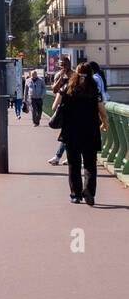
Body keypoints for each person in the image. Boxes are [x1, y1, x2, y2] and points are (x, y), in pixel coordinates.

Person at [51, 61, 109, 205]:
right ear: (91, 74)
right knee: (90, 164)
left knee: (74, 164)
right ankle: (89, 191)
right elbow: (102, 111)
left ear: (76, 73)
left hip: (70, 132)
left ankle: (75, 195)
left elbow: (54, 107)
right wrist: (104, 123)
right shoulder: (94, 89)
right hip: (90, 131)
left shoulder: (66, 87)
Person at [48, 55, 73, 166]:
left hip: (73, 108)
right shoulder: (58, 75)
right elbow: (54, 90)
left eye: (65, 64)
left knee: (66, 133)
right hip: (62, 108)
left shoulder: (74, 75)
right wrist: (60, 78)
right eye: (62, 65)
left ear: (69, 64)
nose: (64, 66)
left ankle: (59, 157)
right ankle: (67, 156)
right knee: (66, 134)